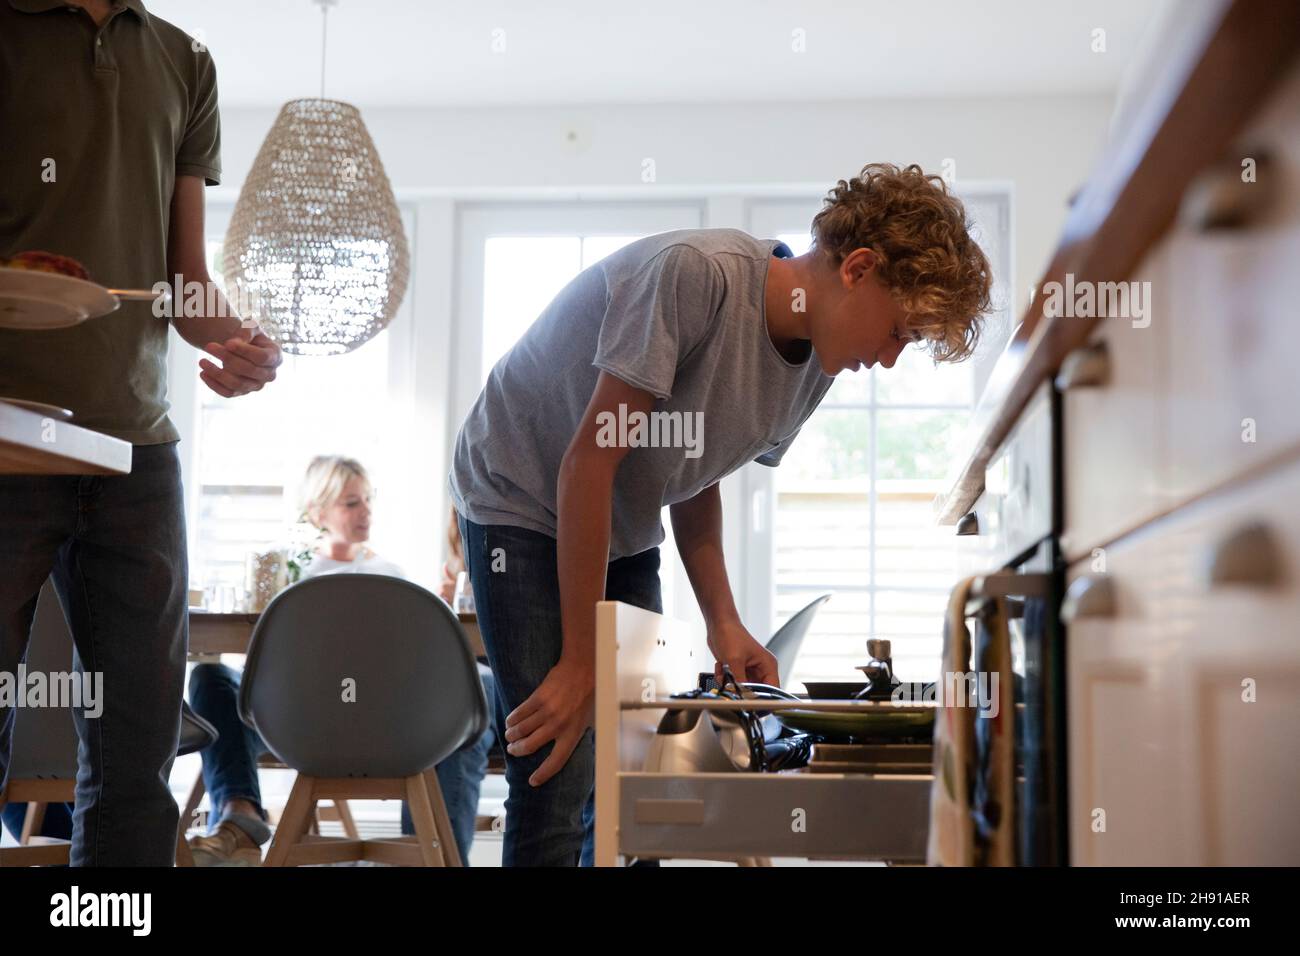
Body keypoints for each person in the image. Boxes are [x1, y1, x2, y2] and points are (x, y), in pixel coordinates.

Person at [450, 163, 994, 865]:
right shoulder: (696, 278)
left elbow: (693, 470)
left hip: (619, 513)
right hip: (521, 494)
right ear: (857, 268)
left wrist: (724, 623)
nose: (888, 360)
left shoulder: (815, 369)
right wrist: (581, 661)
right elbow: (587, 463)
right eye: (898, 332)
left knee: (635, 771)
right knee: (558, 762)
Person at [0, 0, 282, 865]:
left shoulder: (183, 60)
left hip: (135, 454)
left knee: (136, 756)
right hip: (7, 434)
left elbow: (184, 279)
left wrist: (237, 342)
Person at [186, 455, 495, 865]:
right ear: (318, 512)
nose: (365, 511)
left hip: (374, 718)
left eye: (368, 500)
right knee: (210, 677)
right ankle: (240, 812)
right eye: (351, 503)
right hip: (301, 718)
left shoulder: (393, 577)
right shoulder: (288, 577)